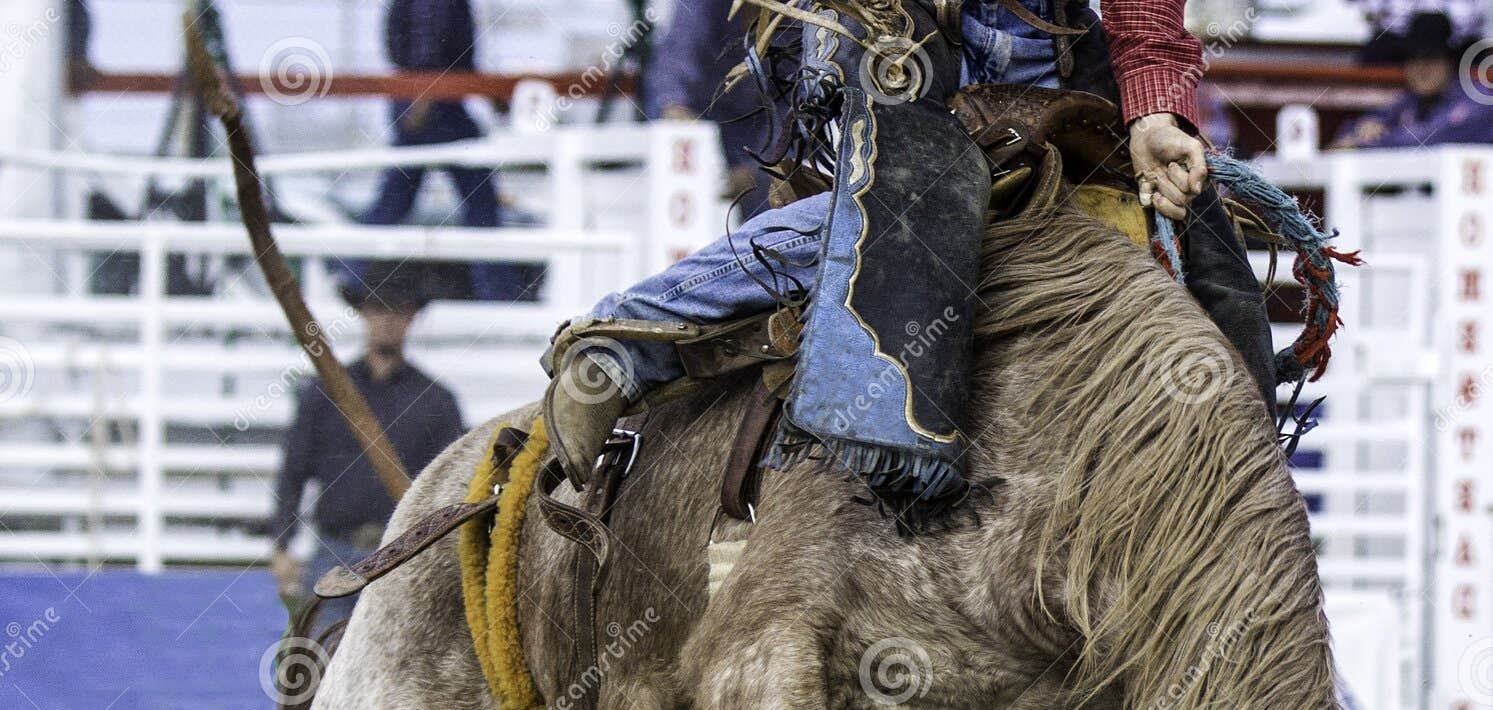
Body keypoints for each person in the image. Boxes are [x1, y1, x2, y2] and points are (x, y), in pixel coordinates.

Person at [542, 0, 1272, 509]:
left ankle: (1233, 498)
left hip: (1056, 68)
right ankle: (621, 343)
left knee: (1206, 258)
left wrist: (1153, 113)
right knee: (901, 215)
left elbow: (1140, 13)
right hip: (909, 50)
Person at [269, 263, 464, 607]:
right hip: (335, 551)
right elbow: (293, 469)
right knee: (321, 656)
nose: (386, 320)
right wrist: (282, 545)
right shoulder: (326, 391)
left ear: (411, 318)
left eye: (398, 310)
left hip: (404, 557)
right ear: (362, 314)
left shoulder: (437, 400)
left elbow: (452, 487)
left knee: (403, 658)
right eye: (378, 308)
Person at [360, 0, 520, 302]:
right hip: (433, 99)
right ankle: (500, 296)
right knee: (479, 205)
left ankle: (350, 271)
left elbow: (439, 47)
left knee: (397, 199)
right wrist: (426, 97)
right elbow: (434, 46)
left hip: (427, 96)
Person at [648, 0, 774, 217]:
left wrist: (763, 169)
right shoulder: (704, 5)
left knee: (770, 196)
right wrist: (673, 104)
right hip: (701, 117)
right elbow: (678, 51)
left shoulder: (798, 14)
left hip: (761, 129)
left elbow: (795, 103)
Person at [1334, 10, 1493, 147]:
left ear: (1450, 63)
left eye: (1431, 59)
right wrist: (1363, 128)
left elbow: (1431, 140)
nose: (1421, 69)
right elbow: (1349, 131)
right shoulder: (1409, 102)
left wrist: (1368, 142)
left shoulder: (1478, 98)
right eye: (1413, 59)